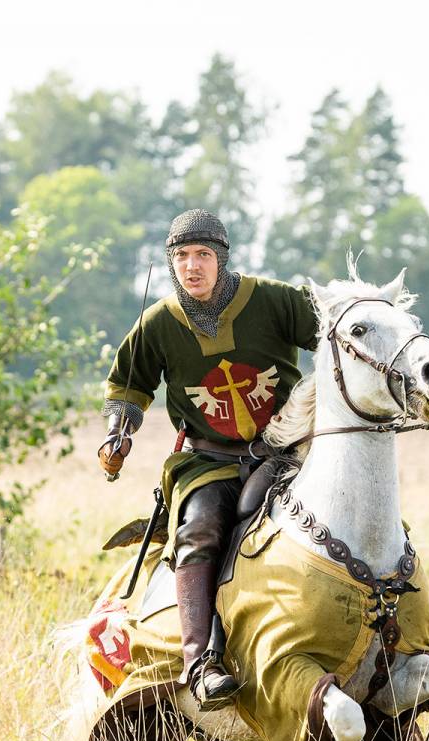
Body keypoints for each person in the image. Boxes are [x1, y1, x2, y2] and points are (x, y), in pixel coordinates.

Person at [98, 209, 319, 711]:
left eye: (202, 255)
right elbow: (129, 386)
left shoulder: (275, 300)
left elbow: (337, 336)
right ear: (170, 262)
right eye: (181, 256)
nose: (192, 266)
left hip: (286, 453)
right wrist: (118, 433)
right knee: (199, 530)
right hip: (208, 462)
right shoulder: (159, 323)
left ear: (221, 258)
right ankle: (202, 664)